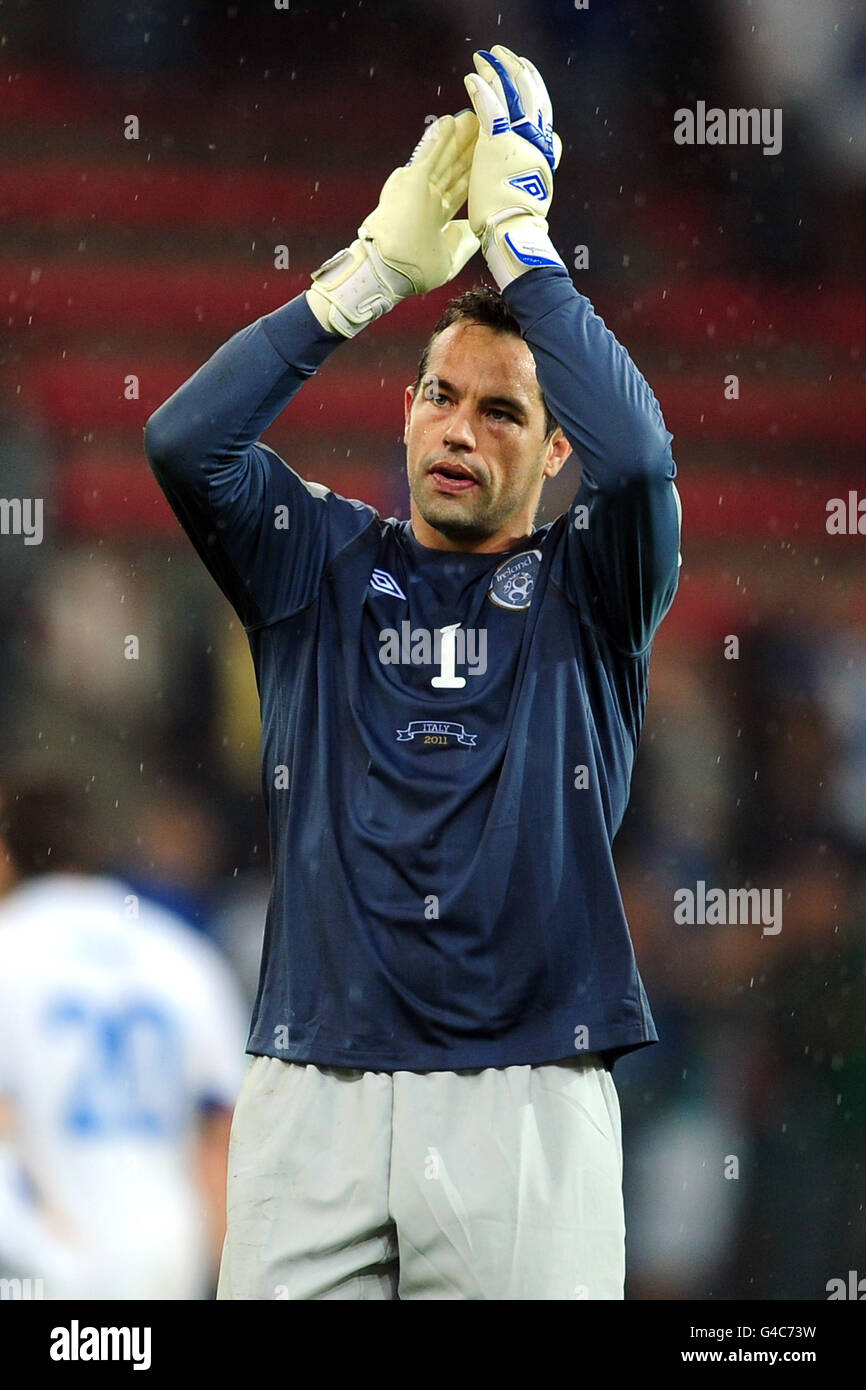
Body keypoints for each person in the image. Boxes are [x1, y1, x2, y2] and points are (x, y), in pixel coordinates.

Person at [144, 44, 681, 1300]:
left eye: (502, 413)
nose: (456, 426)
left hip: (524, 1091)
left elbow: (645, 463)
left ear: (557, 452)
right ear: (402, 408)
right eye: (439, 394)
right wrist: (365, 277)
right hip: (308, 1088)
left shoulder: (588, 586)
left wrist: (522, 251)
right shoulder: (315, 561)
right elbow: (182, 441)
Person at [0, 780, 249, 1299]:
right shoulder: (182, 953)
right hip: (165, 1262)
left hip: (38, 1269)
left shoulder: (10, 944)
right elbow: (223, 1141)